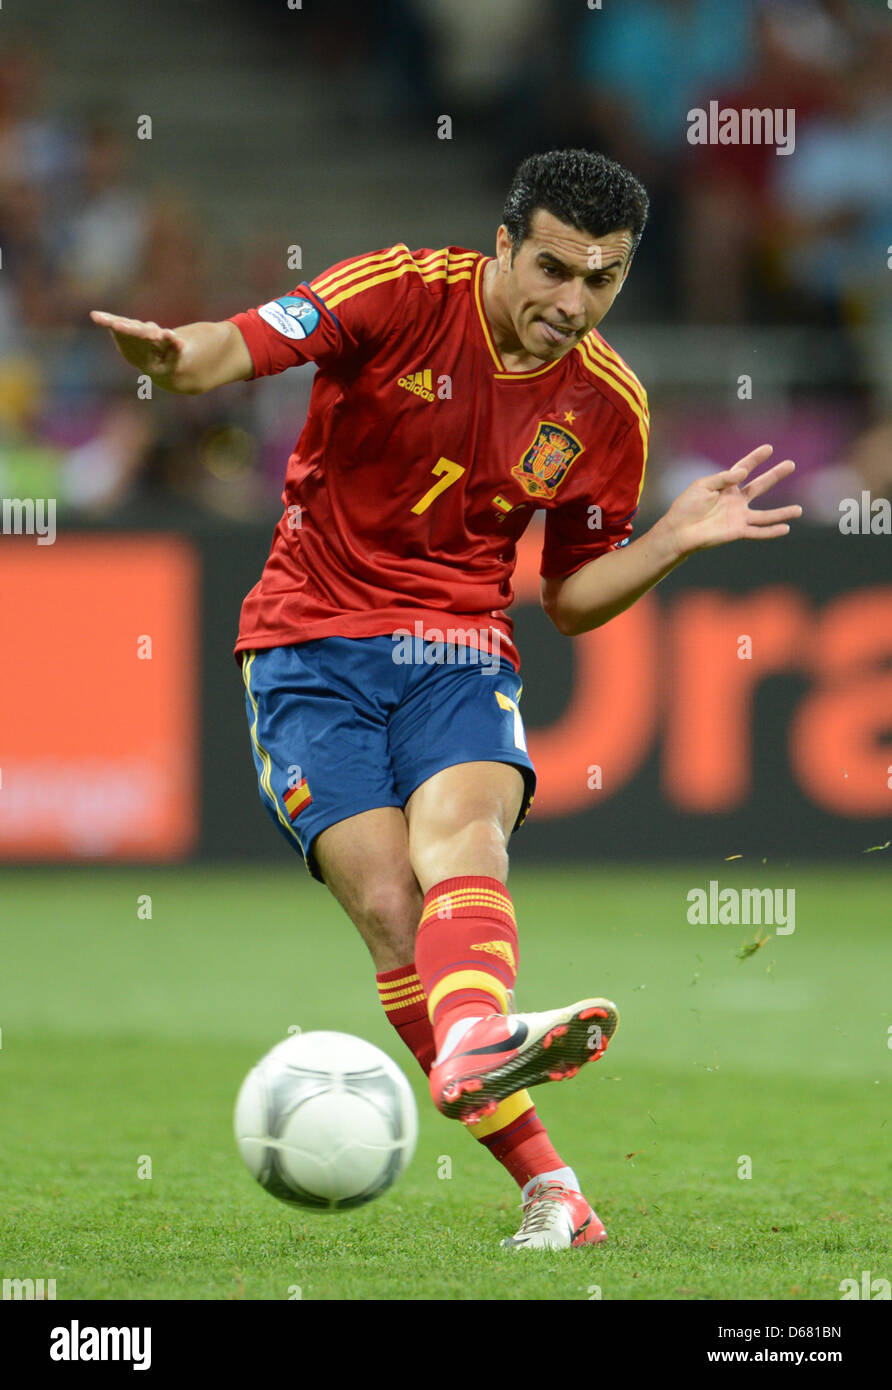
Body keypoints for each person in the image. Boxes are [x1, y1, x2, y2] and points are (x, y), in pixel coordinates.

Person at [91, 148, 801, 1250]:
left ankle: (473, 1037)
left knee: (463, 837)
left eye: (602, 281)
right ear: (504, 243)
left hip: (458, 647)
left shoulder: (606, 404)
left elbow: (568, 596)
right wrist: (178, 359)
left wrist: (666, 540)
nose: (572, 303)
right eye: (555, 268)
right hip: (305, 641)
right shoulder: (399, 290)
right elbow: (243, 342)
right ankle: (553, 1187)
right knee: (387, 910)